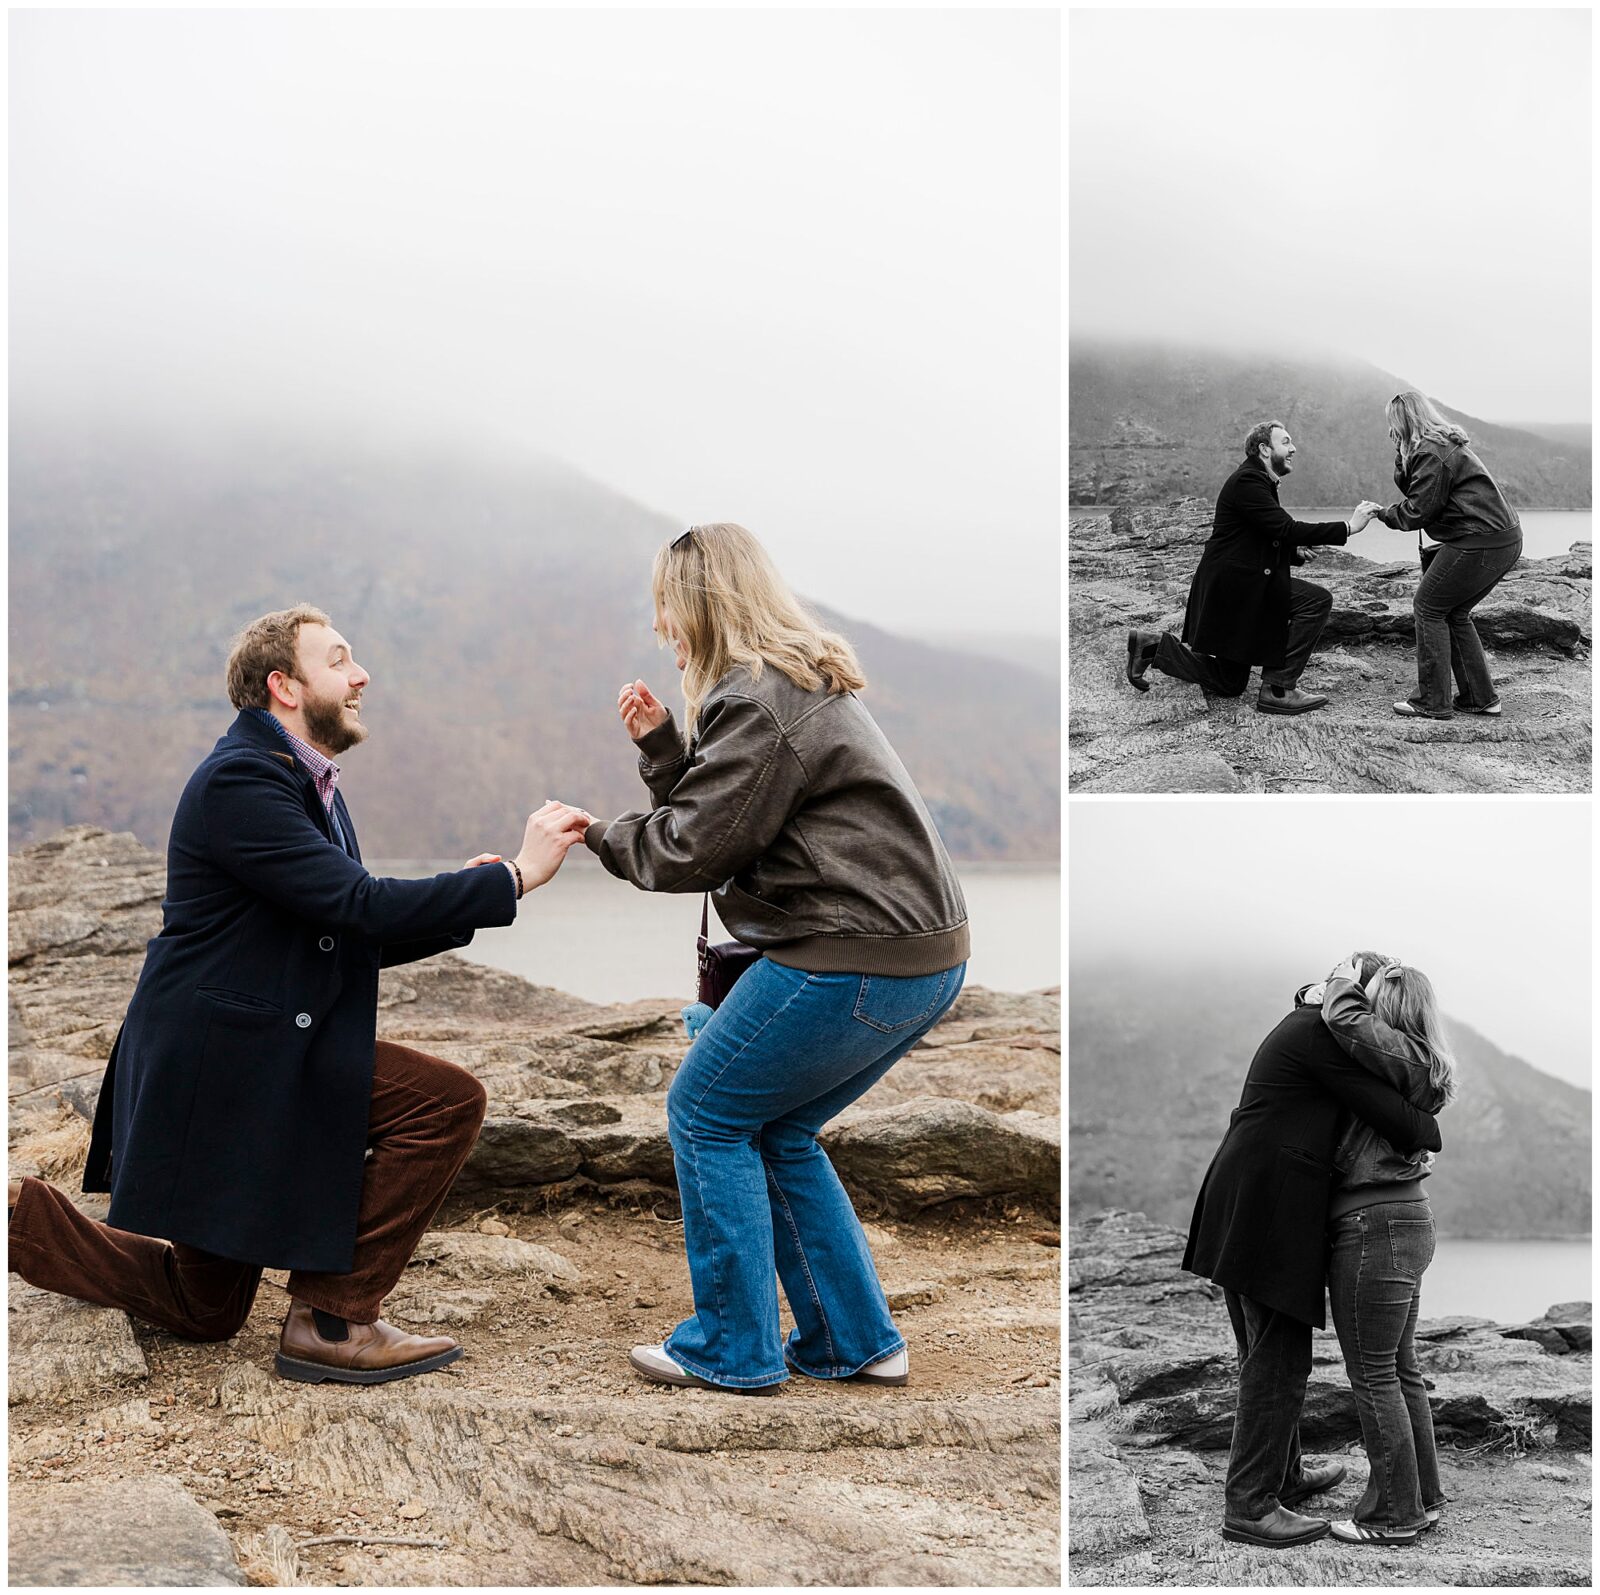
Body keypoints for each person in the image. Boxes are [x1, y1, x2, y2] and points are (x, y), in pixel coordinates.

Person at [7, 605, 592, 1384]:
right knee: (443, 1103)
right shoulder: (243, 779)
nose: (362, 675)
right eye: (340, 660)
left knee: (206, 1308)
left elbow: (341, 923)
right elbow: (358, 904)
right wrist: (510, 877)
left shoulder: (304, 781)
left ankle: (20, 1223)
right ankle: (333, 1318)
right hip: (224, 1063)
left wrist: (465, 895)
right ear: (284, 685)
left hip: (252, 1048)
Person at [570, 522, 970, 1394]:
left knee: (704, 1113)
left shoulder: (755, 698)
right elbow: (735, 813)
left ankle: (732, 1347)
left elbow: (692, 849)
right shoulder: (792, 682)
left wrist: (596, 835)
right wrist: (665, 753)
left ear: (702, 603)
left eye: (665, 605)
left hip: (851, 956)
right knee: (779, 1128)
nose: (659, 625)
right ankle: (855, 1339)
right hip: (923, 958)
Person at [1182, 974, 1444, 1548]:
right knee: (1277, 1361)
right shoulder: (1322, 1035)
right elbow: (1415, 1126)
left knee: (1266, 1353)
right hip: (1267, 1210)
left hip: (1252, 1201)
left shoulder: (1314, 1030)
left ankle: (1283, 1478)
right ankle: (1251, 1505)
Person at [1313, 952, 1455, 1545]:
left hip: (1374, 1225)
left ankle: (1394, 1515)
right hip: (1404, 1221)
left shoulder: (1406, 1059)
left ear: (1391, 1011)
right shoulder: (1416, 1067)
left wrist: (1341, 980)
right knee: (1400, 1368)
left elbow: (1344, 1019)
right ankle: (1422, 1496)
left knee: (1373, 1375)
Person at [1125, 420, 1381, 714]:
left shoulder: (1258, 479)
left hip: (1236, 584)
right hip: (1235, 588)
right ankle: (1278, 688)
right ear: (1264, 449)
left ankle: (1153, 647)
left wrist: (1292, 552)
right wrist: (1349, 527)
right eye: (1285, 442)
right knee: (1316, 601)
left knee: (1229, 682)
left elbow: (1259, 535)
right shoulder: (1248, 480)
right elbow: (1286, 528)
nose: (1293, 449)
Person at [1374, 391, 1523, 719]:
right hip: (1502, 540)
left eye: (1393, 424)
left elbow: (1418, 510)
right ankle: (1480, 698)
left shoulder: (1432, 452)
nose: (1390, 430)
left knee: (1427, 608)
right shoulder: (1439, 445)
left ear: (1403, 422)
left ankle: (1431, 702)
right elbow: (1421, 491)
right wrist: (1401, 453)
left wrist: (1382, 514)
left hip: (1479, 542)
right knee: (1454, 612)